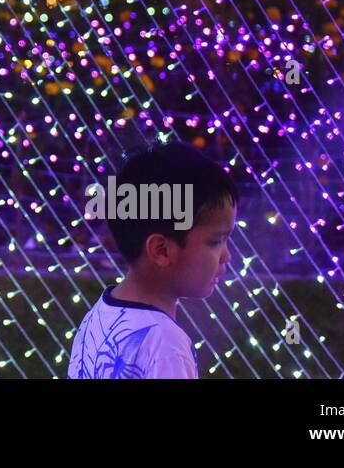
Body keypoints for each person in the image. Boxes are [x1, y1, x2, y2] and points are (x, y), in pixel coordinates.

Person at [68, 142, 237, 379]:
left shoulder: (96, 316)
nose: (226, 256)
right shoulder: (166, 345)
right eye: (215, 241)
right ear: (161, 250)